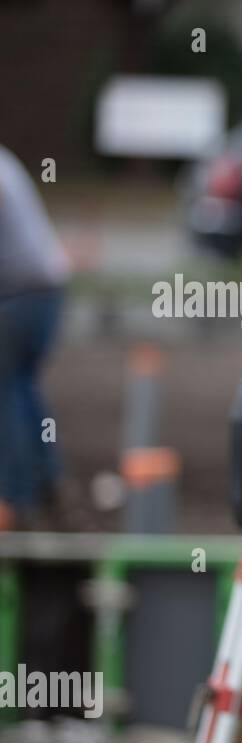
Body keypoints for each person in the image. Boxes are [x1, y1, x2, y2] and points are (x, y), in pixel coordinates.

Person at [0, 144, 71, 531]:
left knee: (6, 390)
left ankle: (14, 498)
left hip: (21, 295)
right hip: (44, 291)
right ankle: (48, 483)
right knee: (21, 386)